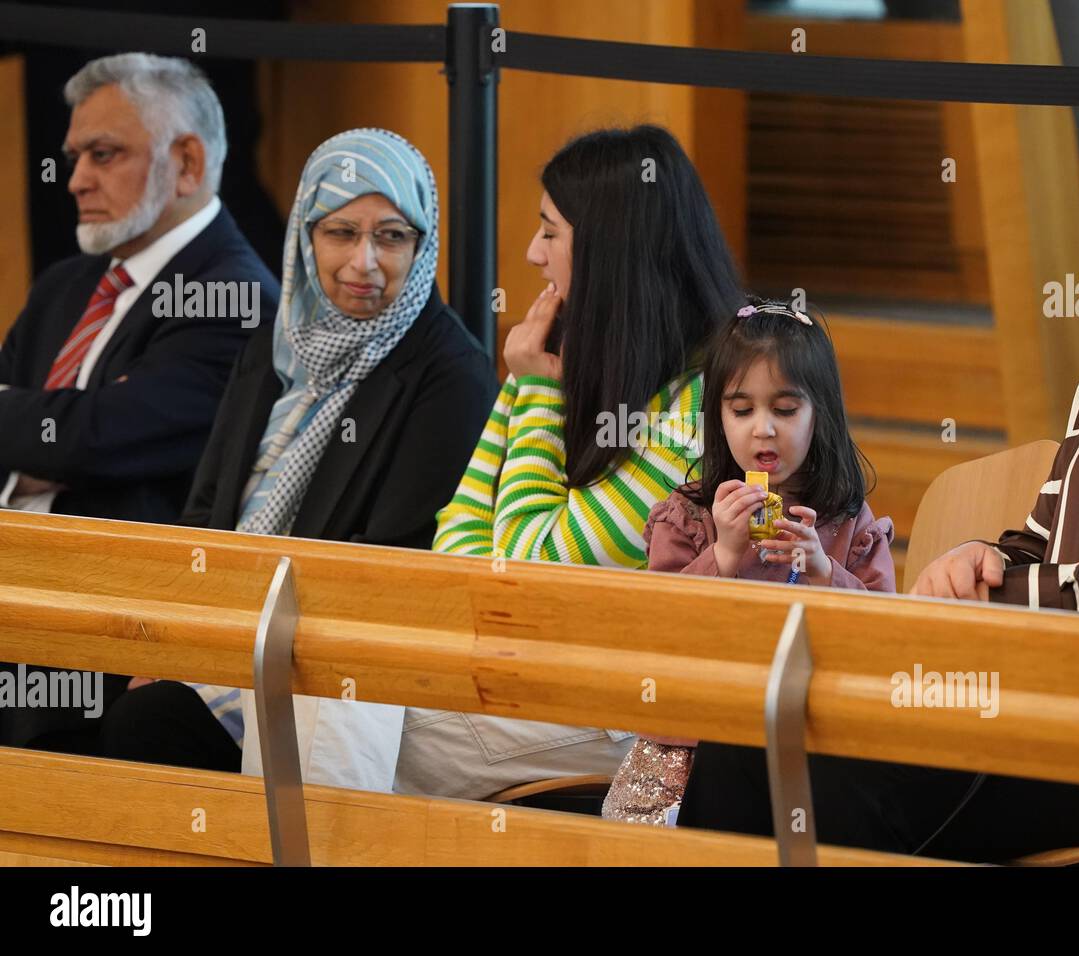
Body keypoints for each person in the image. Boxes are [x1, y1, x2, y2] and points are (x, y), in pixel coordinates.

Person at [678, 96, 1079, 860]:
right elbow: (1043, 547)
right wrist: (988, 559)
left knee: (843, 777)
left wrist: (1017, 590)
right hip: (1042, 705)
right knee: (752, 737)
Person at [94, 128, 497, 790]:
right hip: (228, 622)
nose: (364, 261)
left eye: (393, 236)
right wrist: (176, 640)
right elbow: (208, 507)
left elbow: (388, 565)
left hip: (326, 665)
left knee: (147, 725)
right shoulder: (281, 338)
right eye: (341, 232)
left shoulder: (450, 374)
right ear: (305, 237)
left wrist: (220, 654)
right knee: (91, 681)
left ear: (422, 246)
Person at [393, 125, 746, 800]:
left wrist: (536, 390)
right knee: (318, 701)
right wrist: (527, 382)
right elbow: (458, 555)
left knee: (333, 716)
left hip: (627, 717)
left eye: (550, 231)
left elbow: (525, 570)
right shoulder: (596, 366)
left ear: (610, 247)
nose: (532, 252)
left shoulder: (707, 398)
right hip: (527, 682)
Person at [0, 52, 277, 753]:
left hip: (100, 621)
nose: (76, 180)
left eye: (104, 154)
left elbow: (95, 436)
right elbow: (60, 433)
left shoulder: (236, 298)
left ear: (186, 162)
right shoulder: (63, 285)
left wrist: (48, 434)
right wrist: (42, 438)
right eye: (75, 156)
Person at [603, 297, 894, 826]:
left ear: (819, 414)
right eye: (742, 409)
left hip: (818, 748)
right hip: (685, 743)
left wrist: (825, 573)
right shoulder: (688, 515)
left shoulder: (849, 521)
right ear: (717, 417)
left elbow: (886, 637)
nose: (763, 429)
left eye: (785, 410)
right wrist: (724, 555)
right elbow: (657, 626)